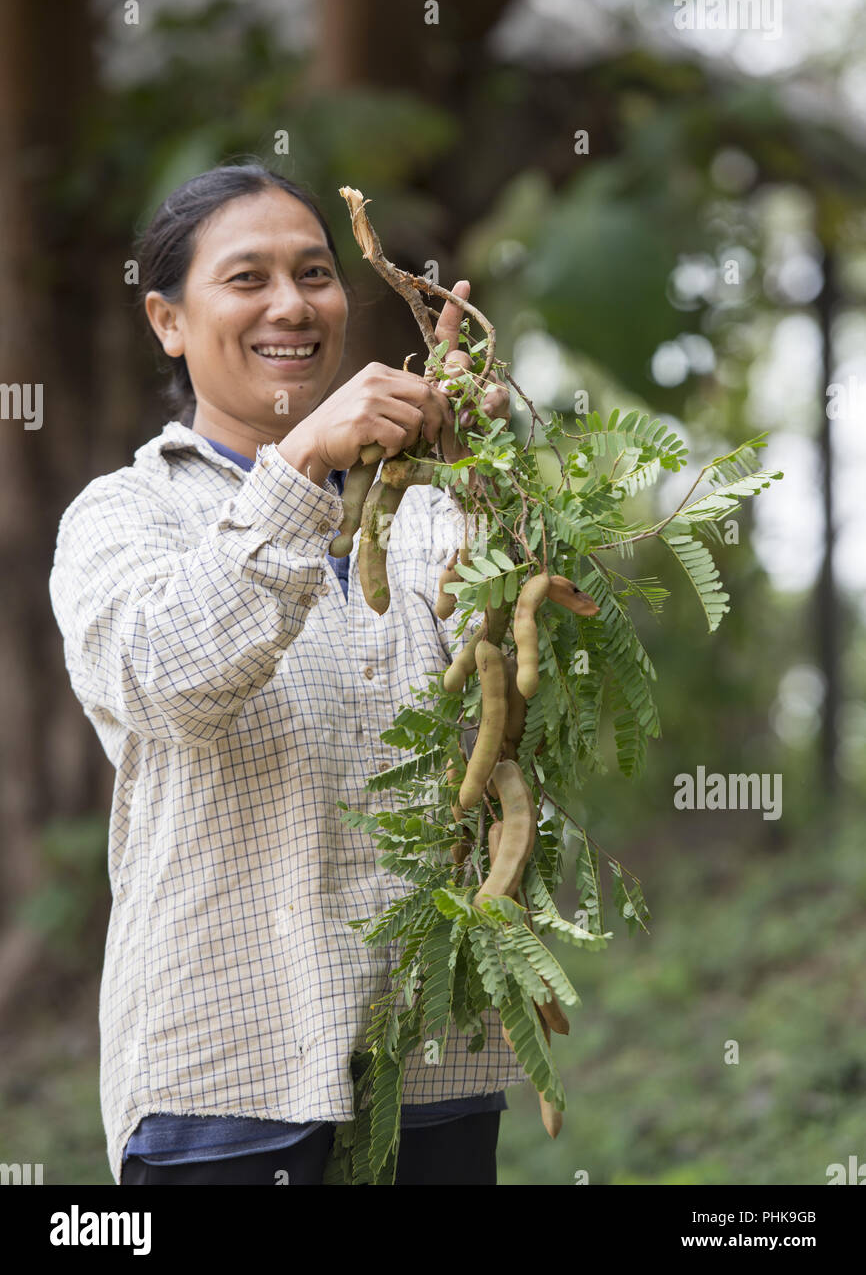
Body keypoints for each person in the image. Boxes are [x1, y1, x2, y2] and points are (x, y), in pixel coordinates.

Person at [48, 160, 527, 1186]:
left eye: (314, 273)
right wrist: (302, 464)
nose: (291, 305)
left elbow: (531, 699)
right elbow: (166, 677)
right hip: (224, 1082)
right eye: (247, 277)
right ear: (167, 320)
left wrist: (496, 482)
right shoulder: (122, 515)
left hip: (430, 1060)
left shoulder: (435, 510)